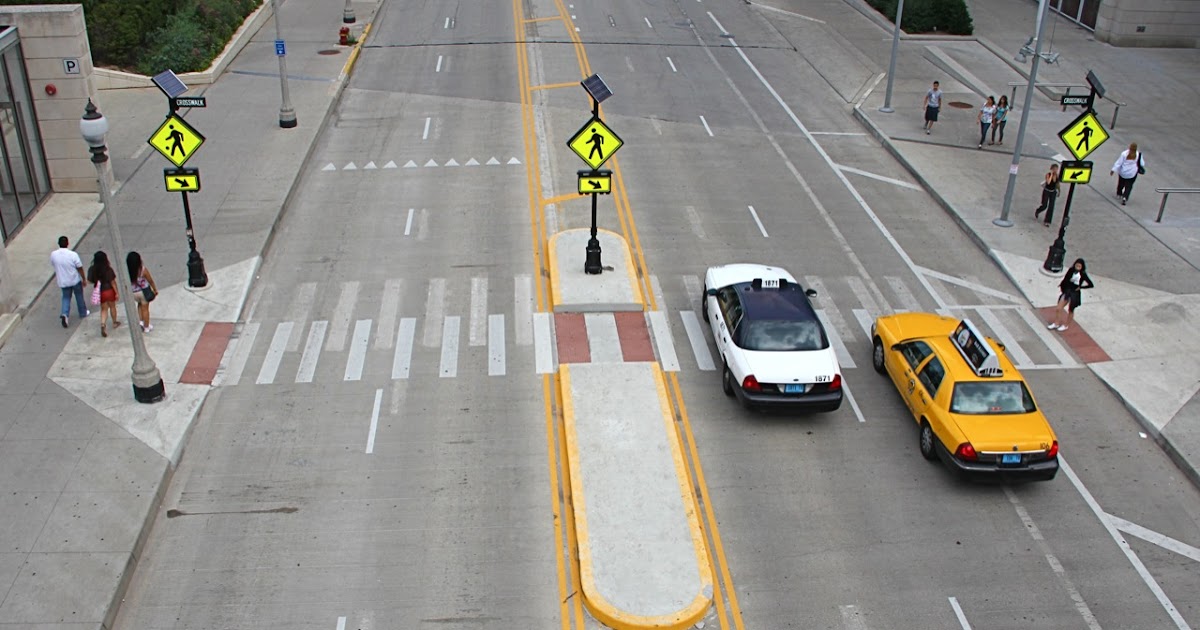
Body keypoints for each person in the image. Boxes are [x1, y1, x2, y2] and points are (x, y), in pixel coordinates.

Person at [49, 235, 89, 328]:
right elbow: (79, 267)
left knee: (66, 297)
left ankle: (64, 314)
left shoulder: (53, 254)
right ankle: (83, 312)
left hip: (63, 281)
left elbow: (53, 263)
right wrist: (84, 278)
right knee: (79, 296)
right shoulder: (73, 255)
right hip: (74, 280)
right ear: (68, 243)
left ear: (58, 244)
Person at [1048, 258, 1094, 331]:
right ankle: (1056, 323)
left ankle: (1066, 325)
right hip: (1067, 291)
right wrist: (1063, 287)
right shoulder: (1071, 270)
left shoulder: (1083, 274)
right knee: (1058, 308)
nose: (1077, 267)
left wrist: (1081, 287)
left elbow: (1091, 284)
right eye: (1077, 265)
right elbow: (1066, 279)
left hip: (1075, 292)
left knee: (1071, 310)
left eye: (1079, 266)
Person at [87, 250, 121, 337]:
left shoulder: (92, 269)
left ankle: (103, 324)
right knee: (112, 307)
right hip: (109, 290)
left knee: (104, 309)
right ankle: (114, 322)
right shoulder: (108, 269)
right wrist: (116, 292)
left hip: (100, 292)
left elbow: (89, 281)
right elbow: (113, 282)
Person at [126, 251, 158, 333]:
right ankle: (146, 326)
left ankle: (140, 322)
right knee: (145, 309)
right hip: (143, 292)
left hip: (134, 293)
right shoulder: (142, 270)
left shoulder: (127, 271)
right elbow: (150, 280)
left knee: (139, 305)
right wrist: (154, 289)